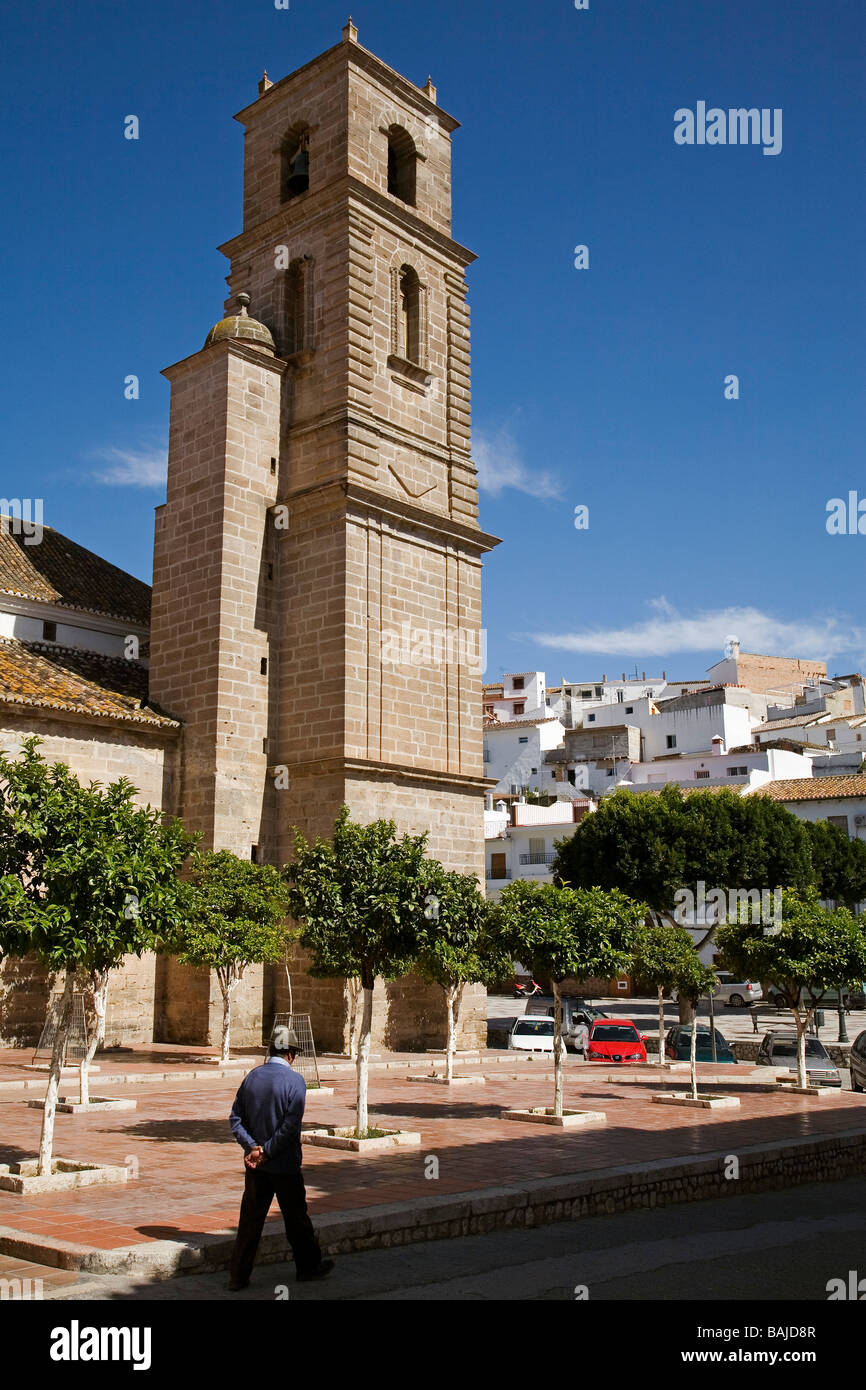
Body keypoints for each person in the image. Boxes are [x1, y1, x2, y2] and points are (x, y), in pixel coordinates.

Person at [228, 1024, 334, 1290]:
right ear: (290, 1055)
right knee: (296, 1217)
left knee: (250, 1220)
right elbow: (290, 1127)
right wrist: (268, 1151)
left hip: (255, 1166)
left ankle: (238, 1277)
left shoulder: (252, 1077)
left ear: (272, 1049)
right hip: (284, 1165)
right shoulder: (295, 1081)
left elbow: (235, 1119)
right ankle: (308, 1267)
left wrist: (253, 1148)